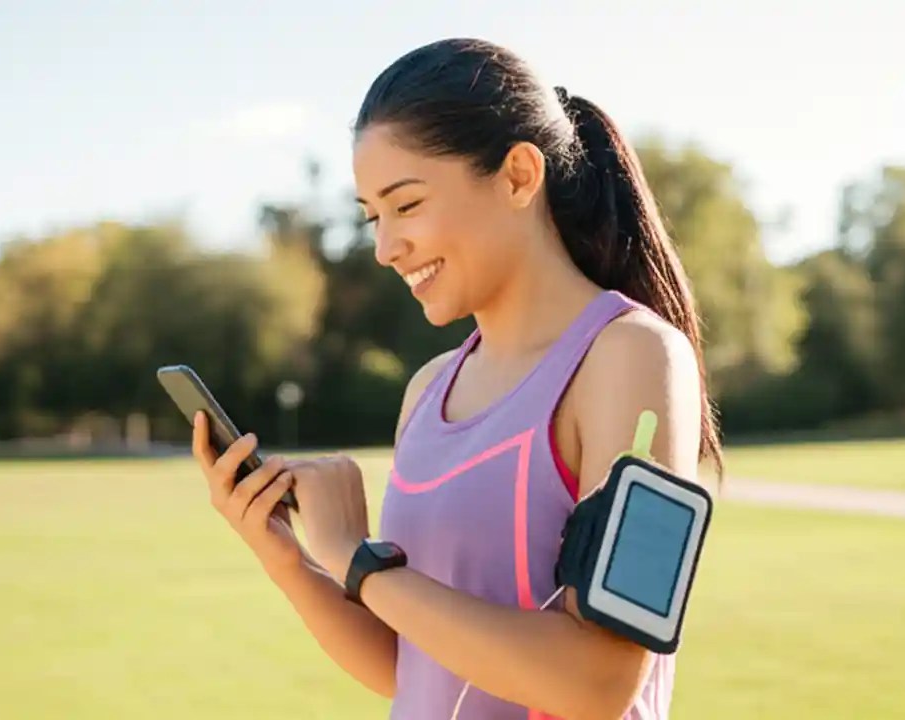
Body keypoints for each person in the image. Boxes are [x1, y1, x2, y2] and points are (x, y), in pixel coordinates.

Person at [191, 37, 723, 720]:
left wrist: (356, 560)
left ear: (518, 176)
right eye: (372, 217)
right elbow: (410, 663)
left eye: (406, 205)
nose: (386, 248)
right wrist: (292, 558)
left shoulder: (635, 357)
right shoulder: (428, 390)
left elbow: (597, 682)